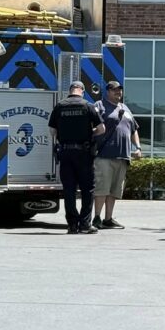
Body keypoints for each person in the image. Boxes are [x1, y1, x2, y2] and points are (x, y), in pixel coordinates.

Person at [49, 81, 105, 234]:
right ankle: (85, 224)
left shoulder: (60, 106)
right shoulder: (88, 106)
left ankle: (72, 225)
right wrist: (89, 133)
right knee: (88, 189)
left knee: (69, 190)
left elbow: (52, 131)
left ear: (70, 91)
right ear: (82, 91)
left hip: (65, 153)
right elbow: (101, 129)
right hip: (84, 153)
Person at [92, 81, 142, 230]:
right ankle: (96, 218)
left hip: (122, 157)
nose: (118, 92)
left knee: (114, 190)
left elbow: (134, 130)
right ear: (107, 91)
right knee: (102, 188)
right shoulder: (99, 105)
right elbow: (91, 125)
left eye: (120, 90)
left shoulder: (125, 108)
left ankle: (108, 219)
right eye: (114, 90)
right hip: (104, 155)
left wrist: (138, 147)